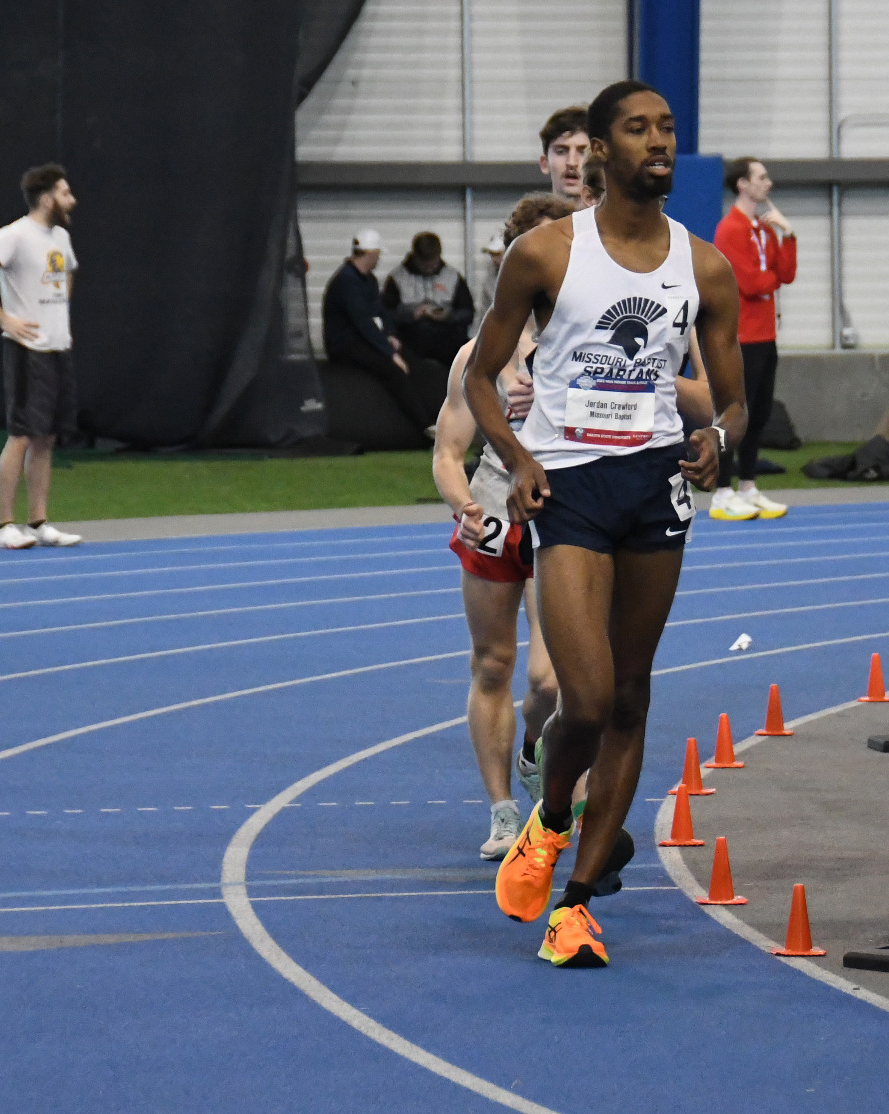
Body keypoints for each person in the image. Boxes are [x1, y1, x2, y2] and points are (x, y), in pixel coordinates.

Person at [469, 80, 747, 968]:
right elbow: (479, 378)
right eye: (637, 128)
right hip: (571, 487)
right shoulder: (546, 253)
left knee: (630, 696)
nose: (659, 141)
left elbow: (735, 402)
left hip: (654, 484)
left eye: (667, 128)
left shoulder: (703, 267)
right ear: (597, 148)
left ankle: (578, 904)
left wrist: (717, 442)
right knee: (583, 700)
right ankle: (551, 820)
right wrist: (518, 459)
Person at [431, 194, 574, 859]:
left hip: (561, 510)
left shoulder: (588, 345)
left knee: (550, 680)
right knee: (493, 663)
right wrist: (461, 503)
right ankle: (501, 811)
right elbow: (447, 451)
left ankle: (534, 748)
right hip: (493, 509)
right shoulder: (478, 354)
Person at [0, 162, 83, 550]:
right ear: (46, 199)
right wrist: (4, 318)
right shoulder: (13, 235)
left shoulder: (61, 237)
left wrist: (57, 315)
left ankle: (39, 522)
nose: (72, 200)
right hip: (29, 351)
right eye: (65, 193)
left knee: (46, 437)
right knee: (22, 436)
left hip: (59, 347)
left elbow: (67, 275)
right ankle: (4, 525)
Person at [710, 157, 797, 522]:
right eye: (761, 177)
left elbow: (786, 275)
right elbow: (750, 283)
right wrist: (769, 280)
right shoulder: (730, 229)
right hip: (741, 337)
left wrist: (788, 235)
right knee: (734, 413)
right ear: (742, 184)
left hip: (766, 335)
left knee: (758, 414)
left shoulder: (763, 229)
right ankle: (722, 491)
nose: (768, 183)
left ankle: (748, 485)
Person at [322, 229, 437, 437]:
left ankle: (435, 415)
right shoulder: (346, 282)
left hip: (365, 340)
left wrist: (390, 335)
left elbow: (380, 312)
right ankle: (424, 425)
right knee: (392, 370)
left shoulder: (369, 280)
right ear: (372, 253)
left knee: (411, 361)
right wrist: (389, 354)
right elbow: (363, 323)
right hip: (346, 345)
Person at [382, 232, 475, 365]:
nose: (429, 268)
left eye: (433, 263)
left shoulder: (452, 277)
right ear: (415, 257)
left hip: (447, 337)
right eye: (424, 264)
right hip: (411, 339)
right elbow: (386, 314)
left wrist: (448, 316)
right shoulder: (397, 278)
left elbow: (468, 312)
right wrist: (411, 315)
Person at [539, 105, 591, 207]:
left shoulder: (618, 217)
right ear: (544, 164)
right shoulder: (526, 217)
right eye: (561, 151)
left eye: (583, 152)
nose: (571, 162)